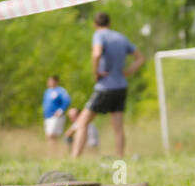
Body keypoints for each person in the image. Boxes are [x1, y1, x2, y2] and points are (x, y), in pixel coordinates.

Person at [71, 12, 145, 157]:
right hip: (121, 87)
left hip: (105, 87)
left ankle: (75, 157)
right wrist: (129, 71)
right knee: (118, 127)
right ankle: (120, 157)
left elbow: (97, 53)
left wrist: (96, 72)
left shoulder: (99, 35)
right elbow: (140, 58)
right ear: (109, 24)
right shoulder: (121, 37)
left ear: (94, 25)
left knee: (82, 121)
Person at [42, 76, 71, 155]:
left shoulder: (60, 91)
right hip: (47, 117)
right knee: (49, 135)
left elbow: (67, 100)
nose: (49, 82)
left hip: (55, 117)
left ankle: (52, 153)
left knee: (52, 135)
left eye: (51, 81)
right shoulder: (47, 92)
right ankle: (52, 152)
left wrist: (61, 110)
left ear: (56, 81)